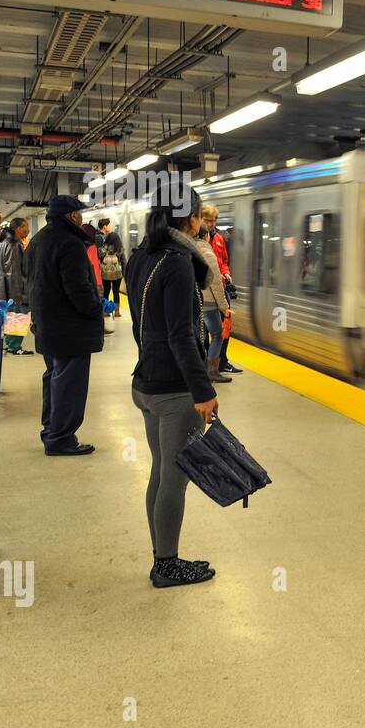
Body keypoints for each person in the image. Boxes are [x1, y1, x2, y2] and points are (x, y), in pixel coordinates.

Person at [124, 186, 219, 588]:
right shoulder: (178, 263)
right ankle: (167, 564)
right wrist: (202, 390)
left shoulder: (141, 256)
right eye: (200, 217)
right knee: (175, 478)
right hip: (174, 391)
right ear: (192, 219)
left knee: (161, 471)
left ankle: (160, 555)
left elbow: (140, 324)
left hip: (146, 382)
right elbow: (183, 336)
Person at [26, 195, 107, 456]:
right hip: (69, 329)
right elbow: (78, 289)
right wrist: (96, 308)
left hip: (46, 324)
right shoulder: (70, 243)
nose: (82, 218)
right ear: (72, 216)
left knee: (54, 378)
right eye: (80, 214)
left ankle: (52, 430)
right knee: (68, 383)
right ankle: (61, 438)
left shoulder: (38, 241)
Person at [201, 206, 242, 374]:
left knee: (225, 327)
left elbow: (224, 261)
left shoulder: (218, 238)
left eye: (214, 221)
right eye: (208, 220)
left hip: (220, 288)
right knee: (204, 331)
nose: (211, 224)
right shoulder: (198, 240)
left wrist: (226, 273)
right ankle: (207, 366)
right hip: (205, 292)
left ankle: (222, 361)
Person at [194, 212, 232, 385]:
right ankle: (212, 371)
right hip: (209, 303)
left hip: (196, 301)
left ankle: (201, 368)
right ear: (206, 236)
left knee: (199, 335)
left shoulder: (192, 250)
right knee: (217, 335)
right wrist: (224, 307)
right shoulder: (208, 254)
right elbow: (216, 284)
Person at [0, 218, 31, 355]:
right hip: (16, 288)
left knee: (11, 315)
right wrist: (18, 295)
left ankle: (10, 343)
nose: (28, 229)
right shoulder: (14, 245)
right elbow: (15, 271)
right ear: (17, 228)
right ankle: (15, 346)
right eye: (25, 226)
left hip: (6, 287)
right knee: (18, 315)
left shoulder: (4, 241)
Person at [97, 218, 125, 317]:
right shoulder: (119, 249)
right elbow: (123, 260)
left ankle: (106, 311)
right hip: (117, 274)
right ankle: (117, 312)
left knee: (106, 292)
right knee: (116, 292)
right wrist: (125, 272)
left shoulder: (103, 247)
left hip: (105, 274)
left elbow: (100, 258)